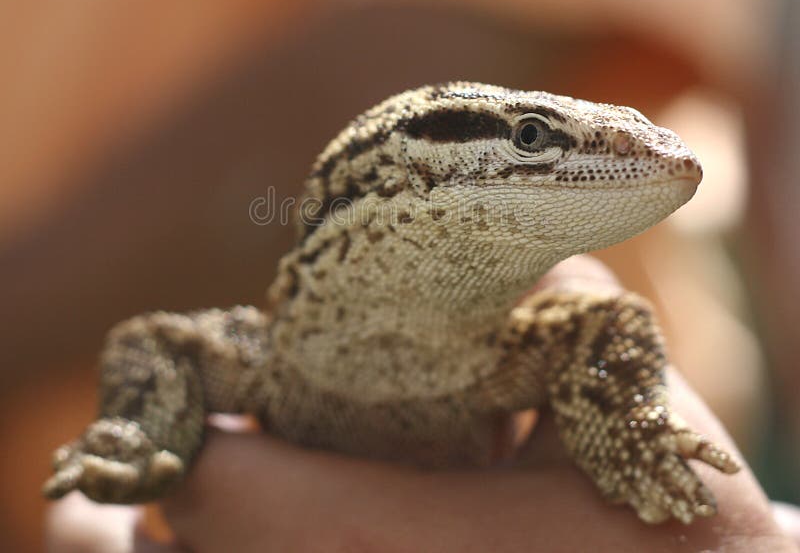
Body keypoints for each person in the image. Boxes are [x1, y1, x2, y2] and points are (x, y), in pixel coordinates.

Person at [45, 257, 799, 553]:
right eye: (533, 139)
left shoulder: (558, 330)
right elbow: (154, 346)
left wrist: (724, 537)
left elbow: (613, 323)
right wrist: (141, 439)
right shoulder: (272, 349)